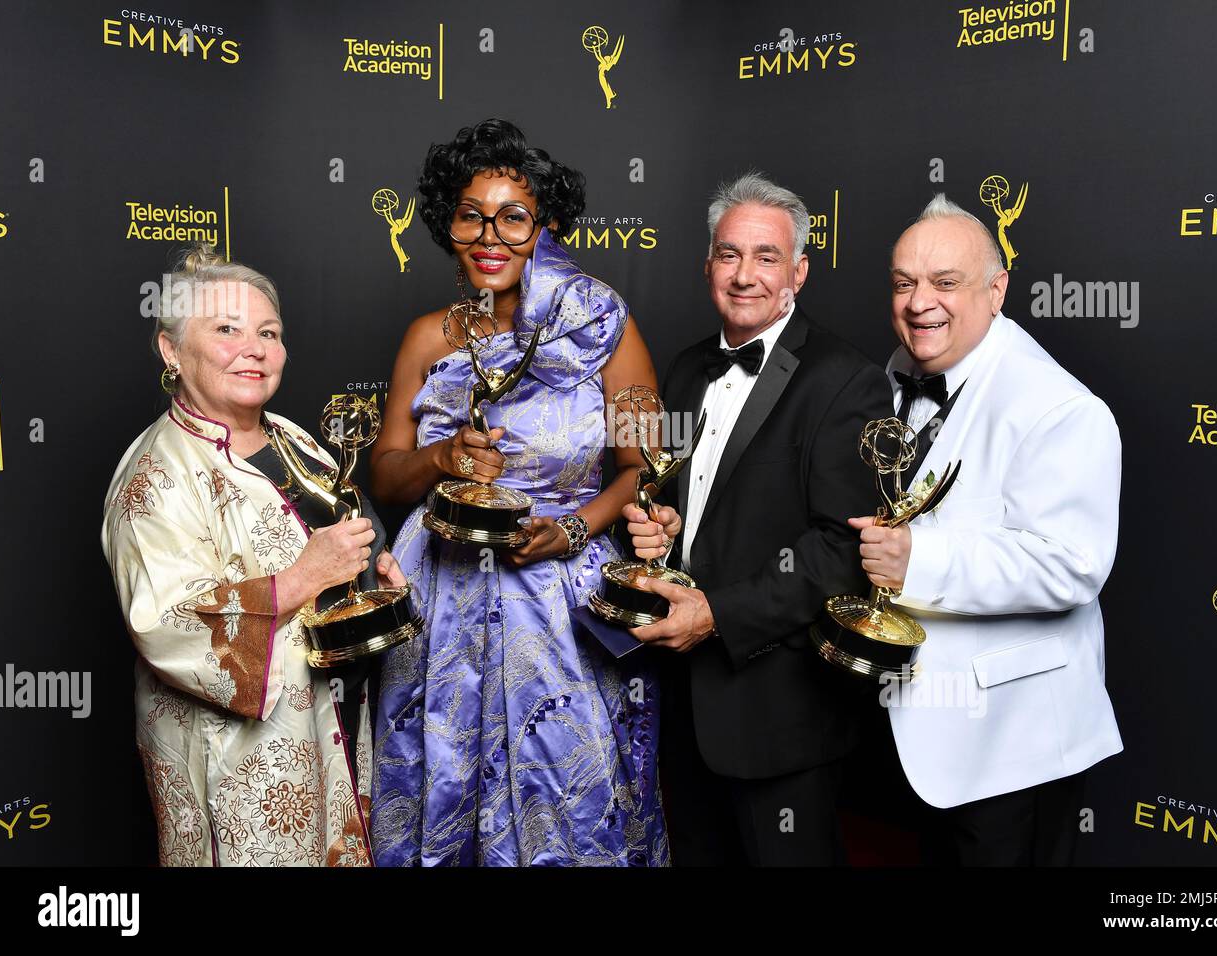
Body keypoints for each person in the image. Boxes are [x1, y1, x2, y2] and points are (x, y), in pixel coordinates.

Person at [369, 119, 666, 866]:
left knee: (567, 797)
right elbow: (385, 473)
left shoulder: (603, 329)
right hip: (441, 600)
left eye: (514, 215)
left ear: (546, 227)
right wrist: (442, 459)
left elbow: (643, 466)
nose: (490, 234)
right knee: (445, 789)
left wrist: (574, 529)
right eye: (471, 213)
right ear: (449, 226)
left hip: (559, 599)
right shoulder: (426, 338)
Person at [102, 245, 405, 866]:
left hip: (333, 727)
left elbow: (346, 531)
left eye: (269, 332)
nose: (256, 348)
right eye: (226, 330)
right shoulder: (155, 475)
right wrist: (300, 579)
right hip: (241, 764)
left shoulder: (293, 438)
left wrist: (375, 573)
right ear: (171, 350)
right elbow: (164, 627)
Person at [622, 172, 893, 865]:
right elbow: (688, 509)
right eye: (728, 254)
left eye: (766, 257)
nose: (745, 276)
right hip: (684, 709)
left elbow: (840, 551)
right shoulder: (684, 372)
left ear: (798, 271)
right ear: (707, 264)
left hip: (782, 719)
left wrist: (714, 613)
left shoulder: (845, 380)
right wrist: (659, 528)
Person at [848, 194, 1123, 865]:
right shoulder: (893, 372)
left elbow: (1072, 564)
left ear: (996, 290)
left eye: (946, 283)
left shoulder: (1061, 406)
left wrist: (919, 562)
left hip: (1010, 745)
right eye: (904, 282)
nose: (920, 303)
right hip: (911, 729)